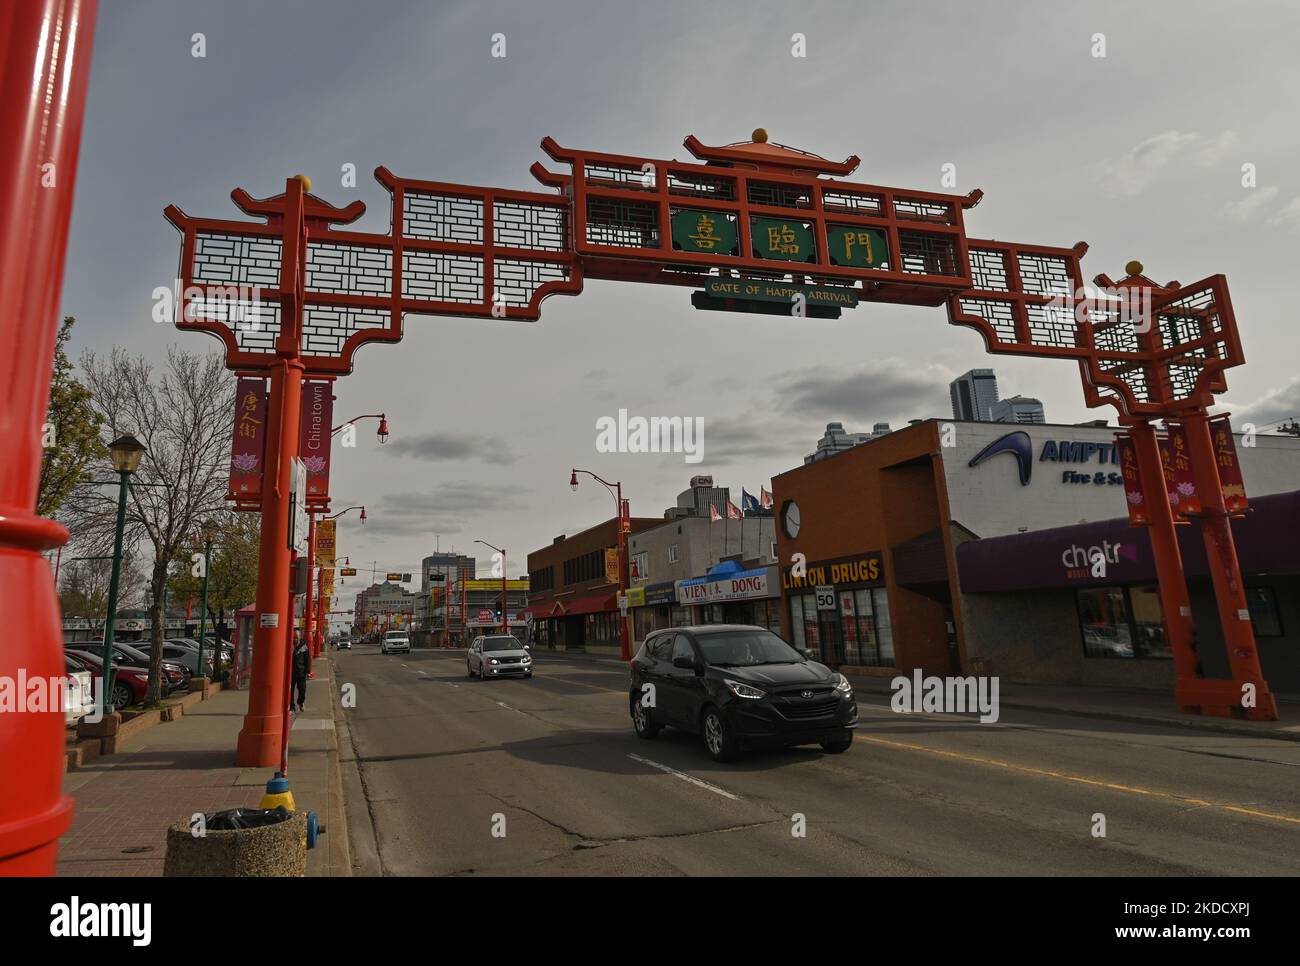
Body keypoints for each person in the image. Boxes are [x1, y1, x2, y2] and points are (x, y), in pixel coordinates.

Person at [291, 632, 311, 713]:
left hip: (301, 672)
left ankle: (300, 702)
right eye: (294, 637)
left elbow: (307, 660)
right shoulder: (290, 645)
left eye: (296, 637)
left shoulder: (304, 647)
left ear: (299, 637)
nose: (295, 639)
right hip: (291, 673)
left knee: (302, 690)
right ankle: (291, 707)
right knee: (290, 691)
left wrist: (308, 671)